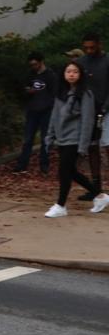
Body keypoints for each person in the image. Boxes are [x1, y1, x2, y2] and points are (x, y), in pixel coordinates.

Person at [42, 62, 96, 218]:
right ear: (63, 74)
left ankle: (61, 205)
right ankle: (100, 195)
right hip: (62, 138)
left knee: (64, 171)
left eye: (75, 71)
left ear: (80, 75)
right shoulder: (61, 93)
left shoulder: (85, 94)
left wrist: (83, 145)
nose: (71, 74)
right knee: (71, 171)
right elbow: (54, 116)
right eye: (68, 71)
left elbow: (87, 121)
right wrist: (49, 136)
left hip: (75, 138)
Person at [76, 34, 108, 200]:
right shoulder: (81, 62)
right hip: (88, 111)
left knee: (107, 145)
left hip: (106, 109)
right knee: (92, 148)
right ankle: (96, 188)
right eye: (86, 48)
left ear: (99, 45)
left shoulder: (106, 61)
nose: (89, 51)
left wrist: (105, 107)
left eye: (92, 47)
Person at [13, 52, 57, 175]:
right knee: (28, 139)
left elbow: (54, 93)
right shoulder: (30, 74)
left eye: (35, 64)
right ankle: (22, 165)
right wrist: (28, 91)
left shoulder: (51, 75)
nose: (33, 67)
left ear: (41, 62)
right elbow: (25, 88)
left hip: (46, 110)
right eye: (31, 65)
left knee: (45, 139)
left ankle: (44, 165)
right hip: (32, 110)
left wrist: (50, 106)